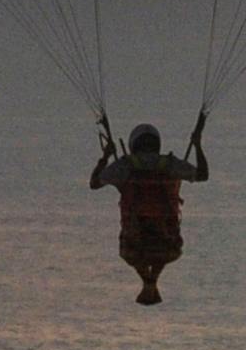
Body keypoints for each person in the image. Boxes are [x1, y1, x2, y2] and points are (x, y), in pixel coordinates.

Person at [90, 113, 211, 304]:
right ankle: (150, 282)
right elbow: (203, 175)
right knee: (159, 249)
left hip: (134, 244)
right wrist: (197, 144)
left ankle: (149, 282)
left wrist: (105, 156)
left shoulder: (125, 166)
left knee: (133, 253)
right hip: (168, 245)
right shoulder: (170, 165)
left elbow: (94, 183)